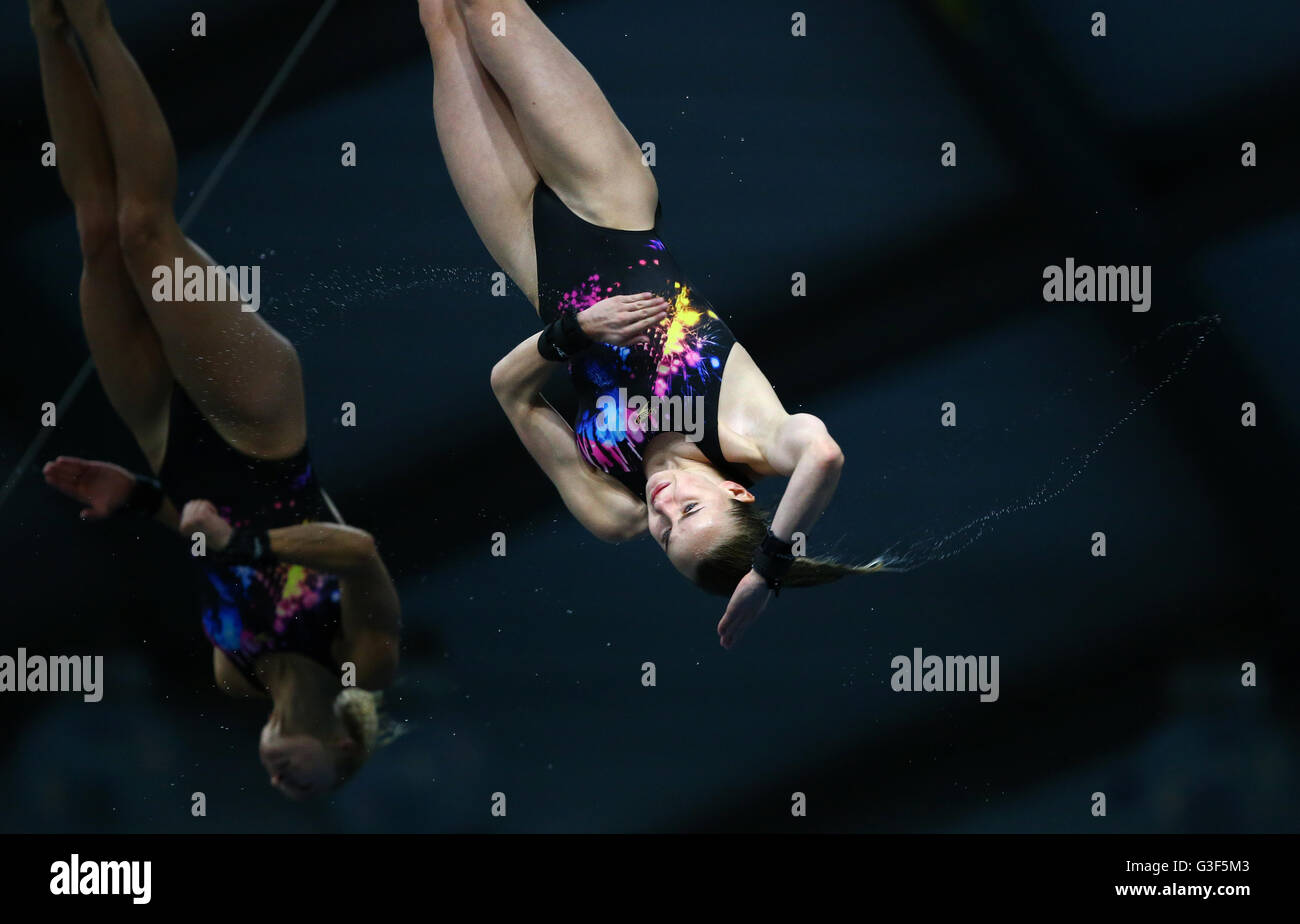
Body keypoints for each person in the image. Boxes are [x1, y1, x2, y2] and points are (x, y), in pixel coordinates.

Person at [418, 0, 883, 649]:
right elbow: (823, 454)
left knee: (441, 26)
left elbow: (509, 390)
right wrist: (771, 568)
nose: (663, 505)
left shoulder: (614, 507)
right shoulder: (746, 433)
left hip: (527, 253)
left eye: (666, 533)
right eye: (690, 509)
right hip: (608, 203)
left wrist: (572, 334)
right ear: (736, 493)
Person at [32, 0, 402, 798]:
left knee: (95, 230)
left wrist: (138, 499)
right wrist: (244, 545)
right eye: (306, 784)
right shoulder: (360, 661)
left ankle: (45, 29)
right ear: (341, 743)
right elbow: (358, 551)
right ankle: (93, 22)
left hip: (170, 445)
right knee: (143, 231)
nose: (280, 784)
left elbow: (201, 535)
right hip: (261, 426)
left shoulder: (233, 676)